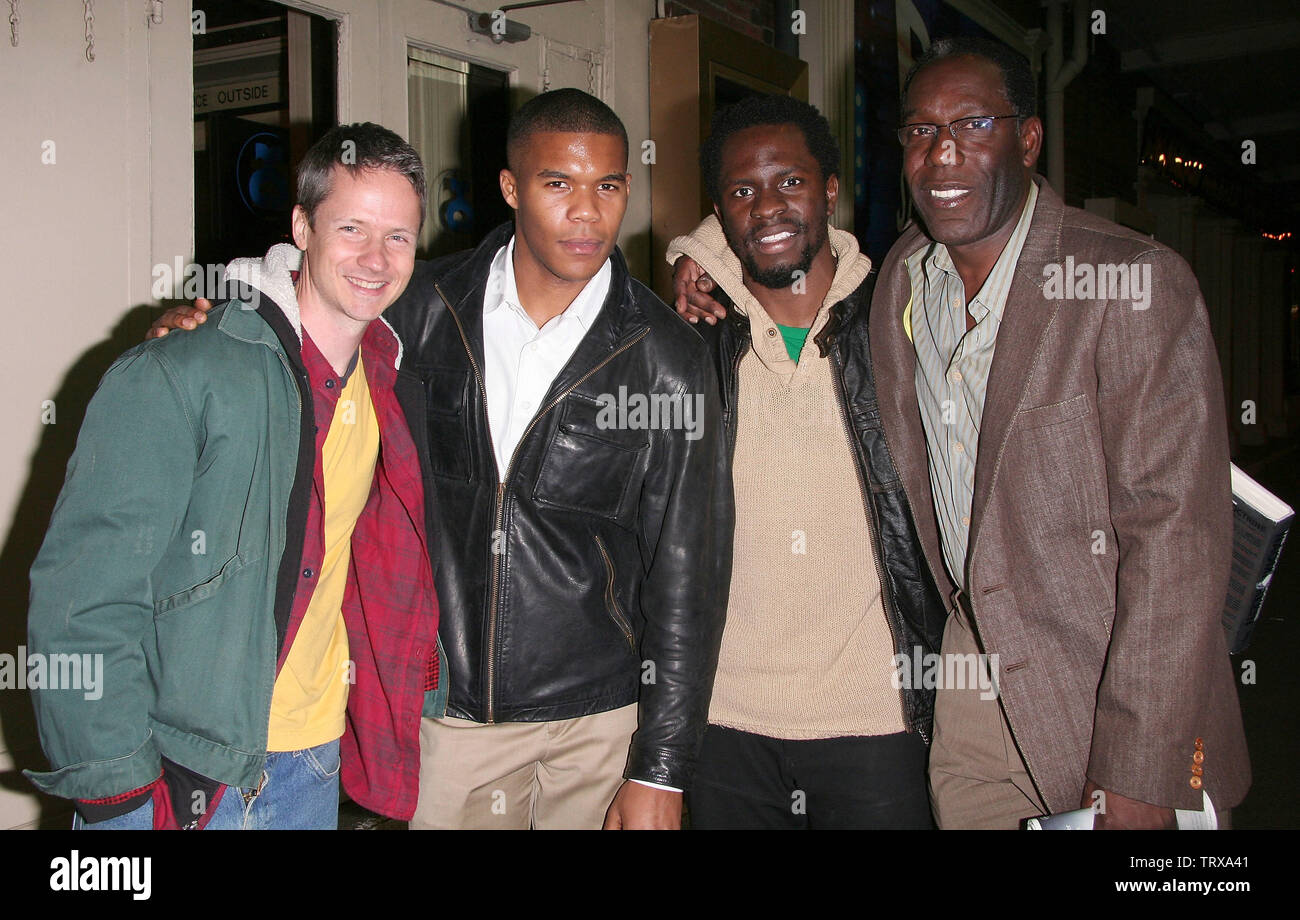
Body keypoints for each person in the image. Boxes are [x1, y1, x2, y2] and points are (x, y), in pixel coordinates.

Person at [676, 37, 1250, 830]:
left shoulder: (1129, 283)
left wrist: (1142, 770)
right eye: (920, 132)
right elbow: (783, 252)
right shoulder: (906, 281)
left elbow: (1177, 542)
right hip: (968, 692)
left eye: (974, 125)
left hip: (1098, 697)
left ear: (1028, 138)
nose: (943, 153)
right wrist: (696, 252)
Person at [153, 89, 732, 830]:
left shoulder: (667, 357)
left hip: (600, 725)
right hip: (447, 715)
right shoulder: (416, 309)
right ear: (512, 187)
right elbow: (299, 306)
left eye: (609, 186)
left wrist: (662, 767)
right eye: (558, 184)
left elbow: (693, 572)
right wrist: (208, 324)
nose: (587, 214)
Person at [27, 123, 439, 829]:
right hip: (182, 774)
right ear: (302, 228)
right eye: (352, 228)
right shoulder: (183, 370)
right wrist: (117, 792)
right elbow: (82, 597)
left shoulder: (390, 386)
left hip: (313, 764)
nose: (376, 258)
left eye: (398, 236)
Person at [666, 95, 945, 828]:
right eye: (740, 192)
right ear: (718, 213)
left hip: (878, 721)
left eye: (790, 182)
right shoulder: (686, 347)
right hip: (722, 722)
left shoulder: (902, 321)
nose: (767, 207)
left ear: (830, 190)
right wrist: (692, 254)